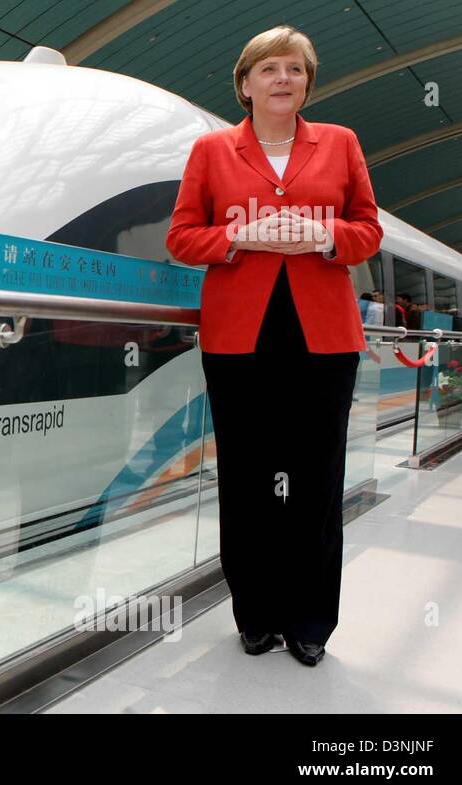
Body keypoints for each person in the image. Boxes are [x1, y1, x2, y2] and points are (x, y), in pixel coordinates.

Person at [166, 26, 382, 667]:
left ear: (308, 83)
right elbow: (182, 237)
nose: (282, 78)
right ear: (245, 84)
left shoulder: (341, 144)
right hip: (240, 336)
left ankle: (310, 621)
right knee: (247, 476)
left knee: (318, 479)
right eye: (269, 69)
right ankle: (254, 613)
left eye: (294, 68)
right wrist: (244, 237)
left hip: (324, 337)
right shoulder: (211, 151)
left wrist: (321, 237)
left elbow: (368, 230)